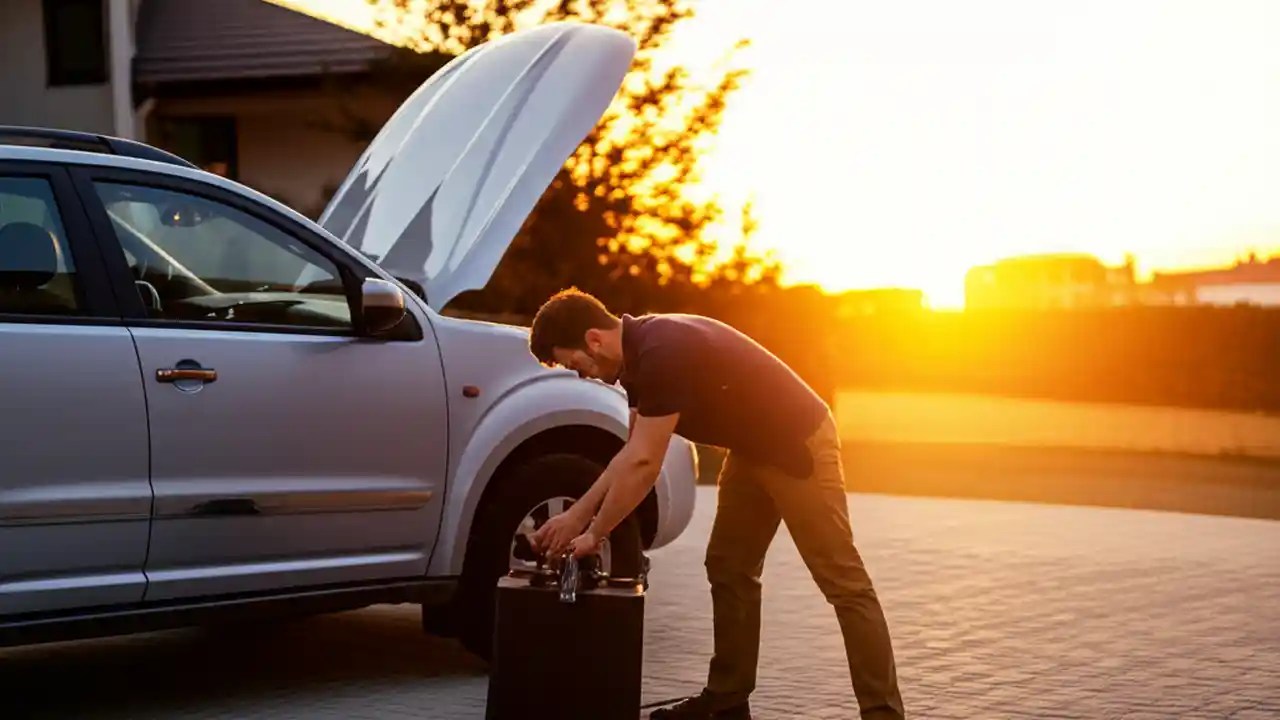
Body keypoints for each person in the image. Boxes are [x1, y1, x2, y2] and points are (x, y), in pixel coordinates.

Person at [527, 288, 906, 720]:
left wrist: (595, 533)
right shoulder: (635, 362)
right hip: (752, 450)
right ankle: (727, 702)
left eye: (577, 364)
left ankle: (883, 714)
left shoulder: (661, 351)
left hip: (798, 442)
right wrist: (578, 515)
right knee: (728, 566)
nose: (584, 375)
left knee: (843, 580)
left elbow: (646, 463)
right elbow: (631, 453)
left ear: (594, 339)